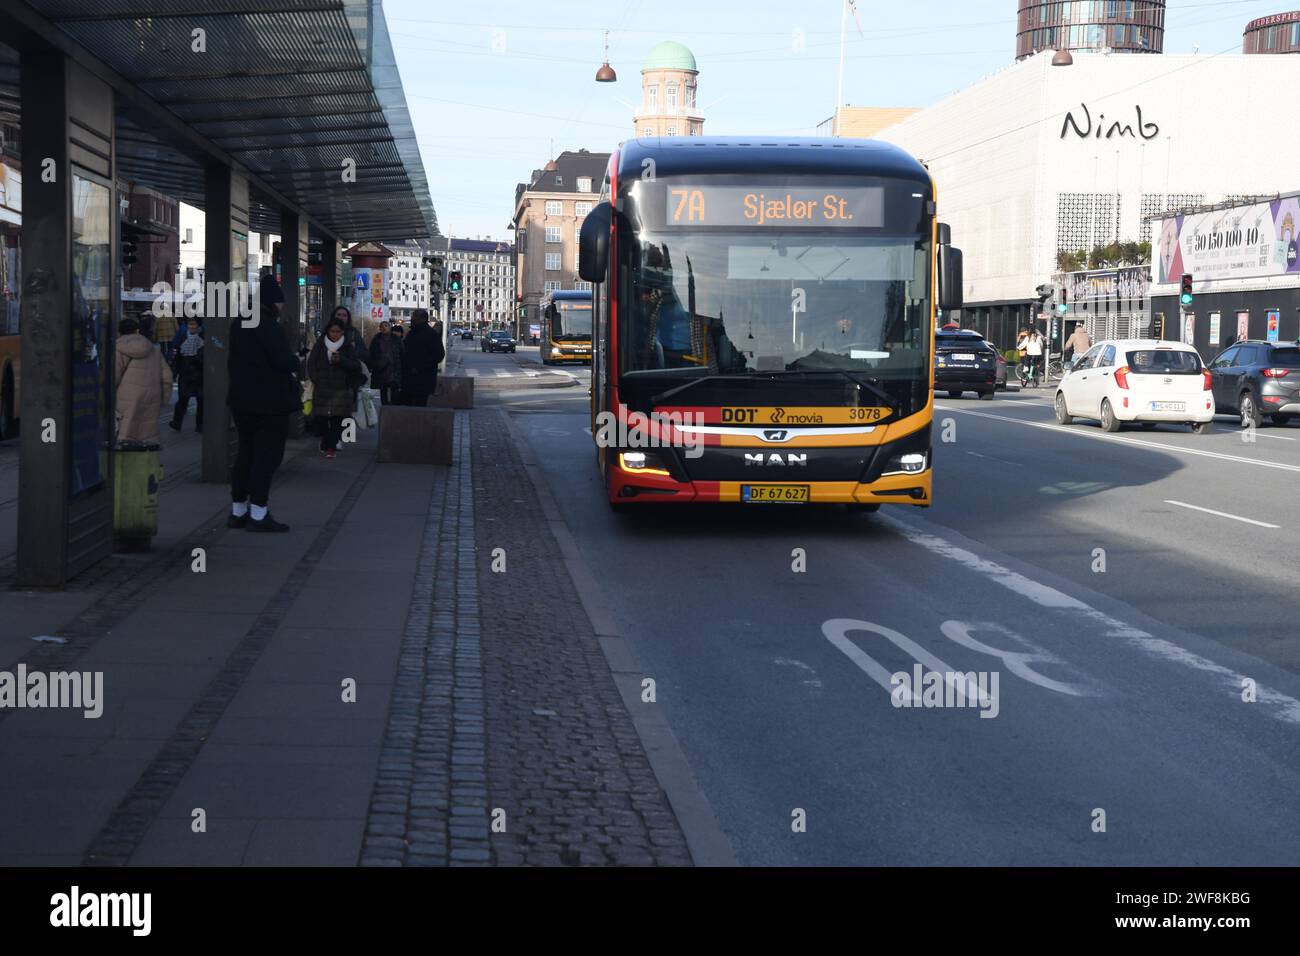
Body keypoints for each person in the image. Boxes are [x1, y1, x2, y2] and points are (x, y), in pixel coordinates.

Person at [226, 274, 299, 532]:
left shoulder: (239, 322)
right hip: (268, 403)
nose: (282, 308)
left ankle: (238, 511)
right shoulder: (268, 325)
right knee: (265, 457)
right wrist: (297, 361)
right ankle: (258, 514)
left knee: (245, 454)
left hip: (241, 401)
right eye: (280, 303)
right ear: (272, 302)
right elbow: (282, 361)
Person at [308, 316, 363, 458]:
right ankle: (325, 442)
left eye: (338, 331)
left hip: (341, 390)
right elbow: (311, 364)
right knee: (320, 420)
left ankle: (330, 449)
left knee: (337, 421)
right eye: (332, 331)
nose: (335, 334)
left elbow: (356, 365)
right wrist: (316, 379)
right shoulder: (320, 345)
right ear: (328, 331)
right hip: (322, 388)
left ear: (342, 332)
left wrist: (342, 360)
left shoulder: (347, 346)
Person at [115, 317, 172, 444]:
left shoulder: (118, 349)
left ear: (119, 332)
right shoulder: (154, 349)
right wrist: (164, 399)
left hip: (126, 398)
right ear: (137, 331)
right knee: (147, 435)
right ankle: (145, 461)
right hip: (151, 397)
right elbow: (167, 377)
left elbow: (114, 376)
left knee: (125, 435)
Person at [399, 308, 445, 406]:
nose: (412, 318)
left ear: (422, 319)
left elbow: (439, 355)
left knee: (419, 406)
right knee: (407, 406)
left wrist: (420, 367)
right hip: (409, 377)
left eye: (415, 316)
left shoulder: (431, 334)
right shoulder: (411, 333)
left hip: (423, 377)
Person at [168, 317, 204, 432]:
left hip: (199, 373)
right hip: (185, 372)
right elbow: (177, 353)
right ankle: (177, 422)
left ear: (199, 326)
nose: (192, 327)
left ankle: (200, 425)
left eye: (194, 325)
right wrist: (175, 370)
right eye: (190, 325)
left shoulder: (204, 337)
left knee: (201, 400)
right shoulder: (183, 336)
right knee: (183, 399)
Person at [368, 320, 402, 406]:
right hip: (380, 370)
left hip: (394, 369)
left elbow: (402, 353)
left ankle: (393, 411)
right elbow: (371, 354)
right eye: (382, 326)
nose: (384, 328)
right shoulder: (376, 340)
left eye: (386, 325)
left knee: (395, 393)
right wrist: (376, 364)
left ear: (390, 327)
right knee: (382, 394)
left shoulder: (396, 339)